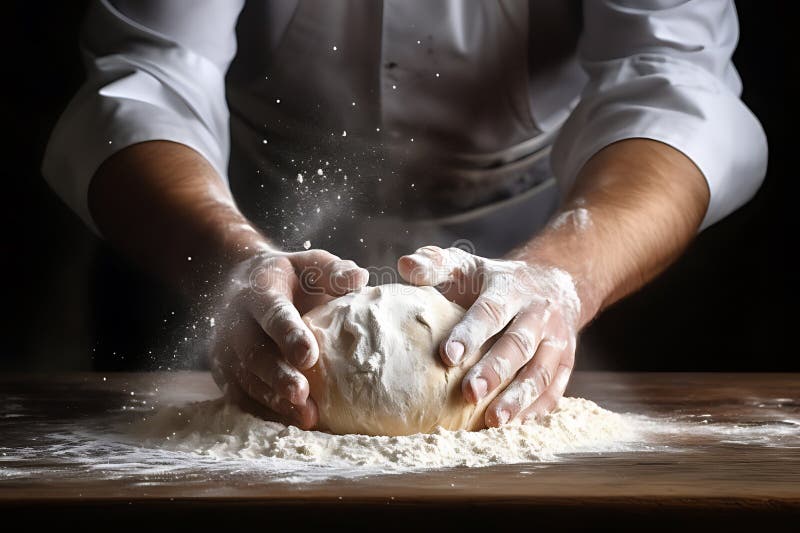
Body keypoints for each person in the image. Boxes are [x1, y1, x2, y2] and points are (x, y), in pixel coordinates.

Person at [43, 0, 766, 429]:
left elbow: (674, 80)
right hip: (223, 233)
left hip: (535, 252)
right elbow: (151, 75)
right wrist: (232, 259)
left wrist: (564, 278)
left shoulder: (555, 276)